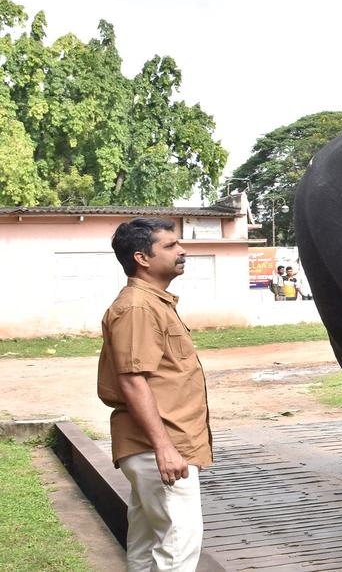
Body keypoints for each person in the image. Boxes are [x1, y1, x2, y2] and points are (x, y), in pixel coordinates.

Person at [98, 217, 212, 570]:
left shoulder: (153, 303)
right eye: (170, 246)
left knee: (147, 545)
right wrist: (164, 448)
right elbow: (133, 380)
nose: (182, 251)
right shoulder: (138, 307)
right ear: (142, 258)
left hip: (158, 445)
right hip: (158, 447)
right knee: (179, 543)